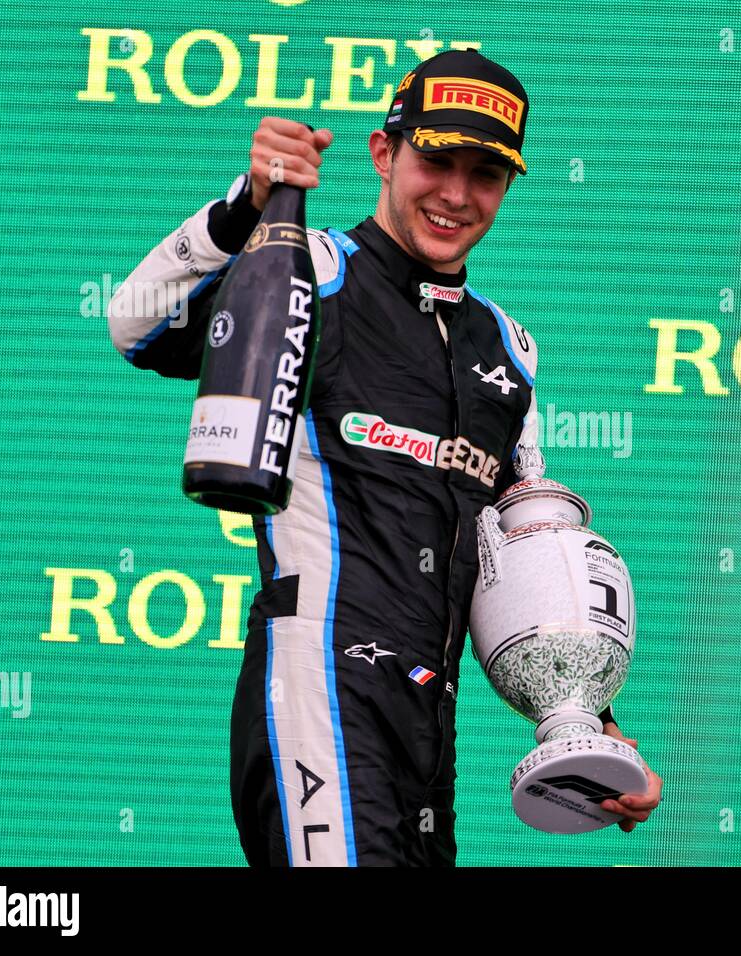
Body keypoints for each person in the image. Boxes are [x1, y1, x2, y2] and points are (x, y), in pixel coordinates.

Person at [106, 48, 662, 866]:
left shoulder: (509, 351)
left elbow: (523, 564)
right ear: (383, 153)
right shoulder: (313, 268)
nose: (456, 195)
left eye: (487, 175)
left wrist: (590, 725)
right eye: (436, 161)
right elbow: (135, 324)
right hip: (317, 685)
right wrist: (243, 211)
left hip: (427, 726)